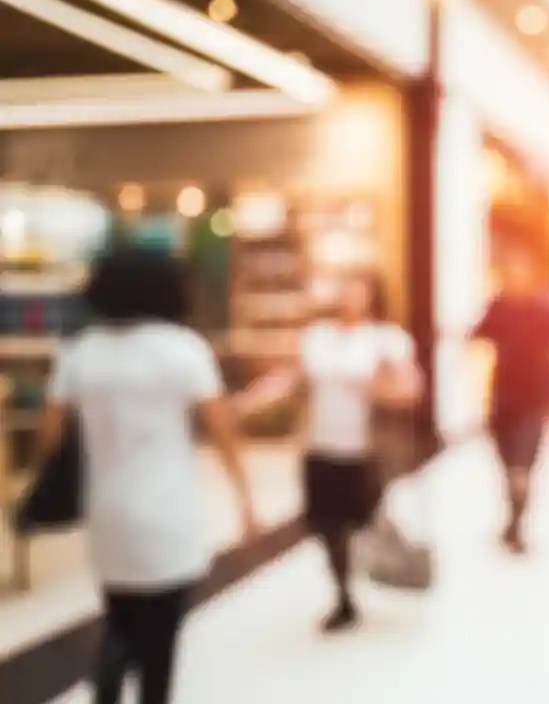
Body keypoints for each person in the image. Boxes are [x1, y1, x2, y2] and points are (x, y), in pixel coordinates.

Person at [31, 248, 258, 704]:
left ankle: (109, 682)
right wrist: (245, 498)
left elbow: (49, 436)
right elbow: (221, 429)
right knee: (161, 634)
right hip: (168, 513)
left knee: (119, 617)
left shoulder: (80, 352)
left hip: (107, 512)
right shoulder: (182, 349)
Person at [235, 275, 421, 633]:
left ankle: (378, 552)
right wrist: (247, 404)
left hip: (364, 450)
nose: (349, 296)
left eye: (358, 289)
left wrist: (376, 388)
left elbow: (409, 390)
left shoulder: (384, 340)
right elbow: (290, 378)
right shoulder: (317, 338)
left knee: (362, 517)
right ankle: (343, 596)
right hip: (320, 446)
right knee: (325, 524)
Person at [473, 247, 549, 555]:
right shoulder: (499, 307)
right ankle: (513, 519)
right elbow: (476, 341)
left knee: (522, 469)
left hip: (534, 400)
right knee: (508, 467)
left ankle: (517, 526)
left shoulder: (546, 311)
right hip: (502, 399)